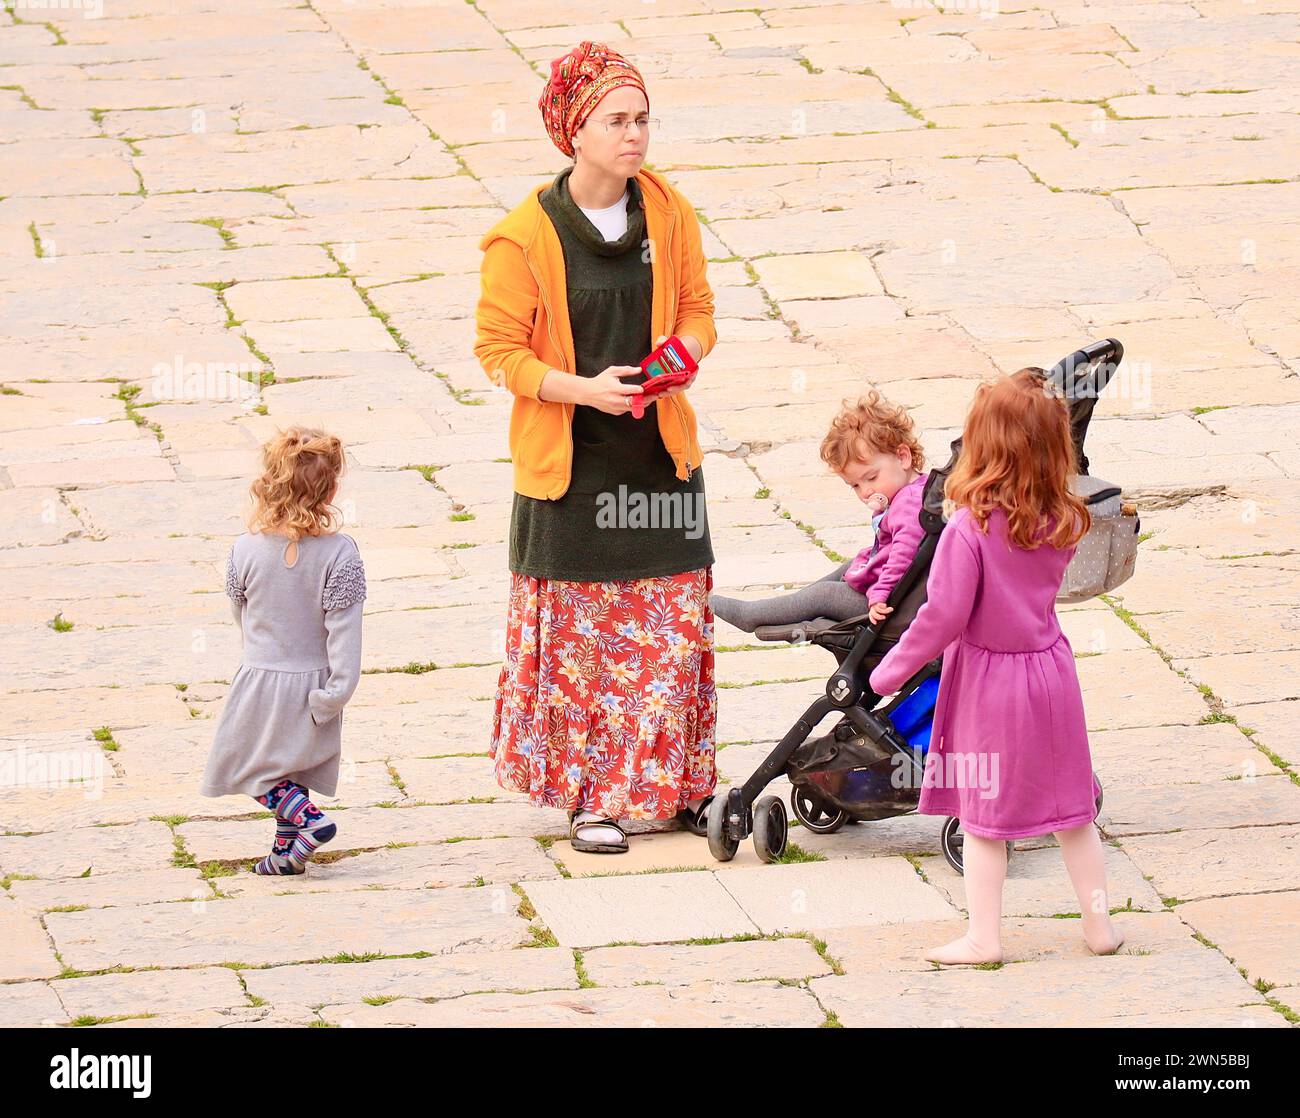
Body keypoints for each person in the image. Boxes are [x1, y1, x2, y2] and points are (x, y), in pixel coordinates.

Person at [474, 41, 719, 854]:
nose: (635, 135)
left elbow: (698, 309)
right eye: (616, 120)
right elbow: (500, 354)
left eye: (643, 118)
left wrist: (679, 358)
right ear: (575, 131)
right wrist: (585, 390)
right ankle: (592, 800)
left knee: (673, 629)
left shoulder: (669, 211)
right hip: (572, 473)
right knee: (585, 646)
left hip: (660, 459)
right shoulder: (523, 238)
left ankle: (674, 784)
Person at [868, 369, 1122, 964]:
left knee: (983, 816)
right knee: (1073, 811)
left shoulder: (969, 528)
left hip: (990, 683)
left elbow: (942, 615)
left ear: (982, 447)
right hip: (1052, 671)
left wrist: (890, 671)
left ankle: (984, 937)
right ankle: (1099, 928)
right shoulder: (1063, 516)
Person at [200, 427, 367, 875]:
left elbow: (241, 614)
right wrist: (333, 695)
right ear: (331, 488)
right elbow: (345, 635)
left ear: (269, 482)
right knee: (293, 769)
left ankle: (308, 822)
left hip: (260, 676)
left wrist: (260, 652)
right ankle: (286, 854)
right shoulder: (341, 553)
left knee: (244, 766)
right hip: (314, 680)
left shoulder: (244, 549)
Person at [711, 390, 927, 632]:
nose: (865, 491)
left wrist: (880, 594)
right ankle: (789, 607)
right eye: (855, 485)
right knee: (850, 566)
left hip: (892, 605)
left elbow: (904, 554)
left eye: (871, 478)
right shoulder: (915, 490)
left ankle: (751, 615)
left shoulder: (908, 502)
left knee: (825, 595)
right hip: (893, 590)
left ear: (903, 457)